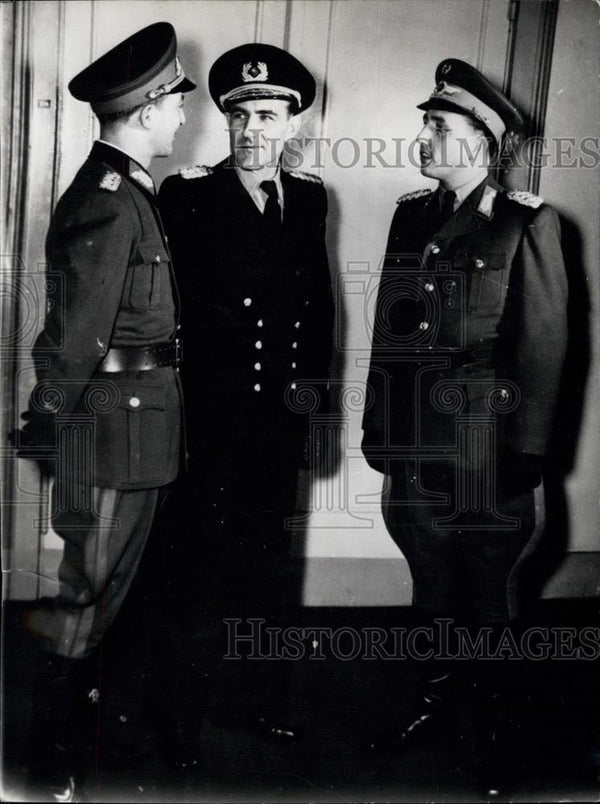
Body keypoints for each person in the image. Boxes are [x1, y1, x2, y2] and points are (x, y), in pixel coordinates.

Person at [361, 59, 568, 793]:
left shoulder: (526, 220)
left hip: (487, 453)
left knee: (490, 603)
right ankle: (434, 704)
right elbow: (390, 338)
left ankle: (498, 736)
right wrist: (376, 430)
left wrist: (529, 453)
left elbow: (545, 345)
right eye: (426, 121)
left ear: (482, 139)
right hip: (417, 447)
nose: (424, 135)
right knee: (429, 589)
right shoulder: (411, 215)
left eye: (439, 125)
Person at [13, 22, 195, 800]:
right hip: (112, 433)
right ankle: (46, 757)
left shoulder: (130, 194)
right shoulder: (109, 202)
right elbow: (71, 339)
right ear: (150, 108)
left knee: (112, 590)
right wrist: (48, 419)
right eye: (176, 105)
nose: (185, 119)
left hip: (139, 427)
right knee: (87, 592)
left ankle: (75, 730)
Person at [153, 42, 334, 769]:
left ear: (293, 126)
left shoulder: (312, 197)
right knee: (196, 575)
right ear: (223, 122)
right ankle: (179, 720)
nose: (252, 129)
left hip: (275, 428)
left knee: (267, 569)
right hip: (211, 425)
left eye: (267, 115)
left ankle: (259, 703)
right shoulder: (189, 196)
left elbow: (317, 312)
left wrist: (312, 413)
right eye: (239, 115)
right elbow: (170, 319)